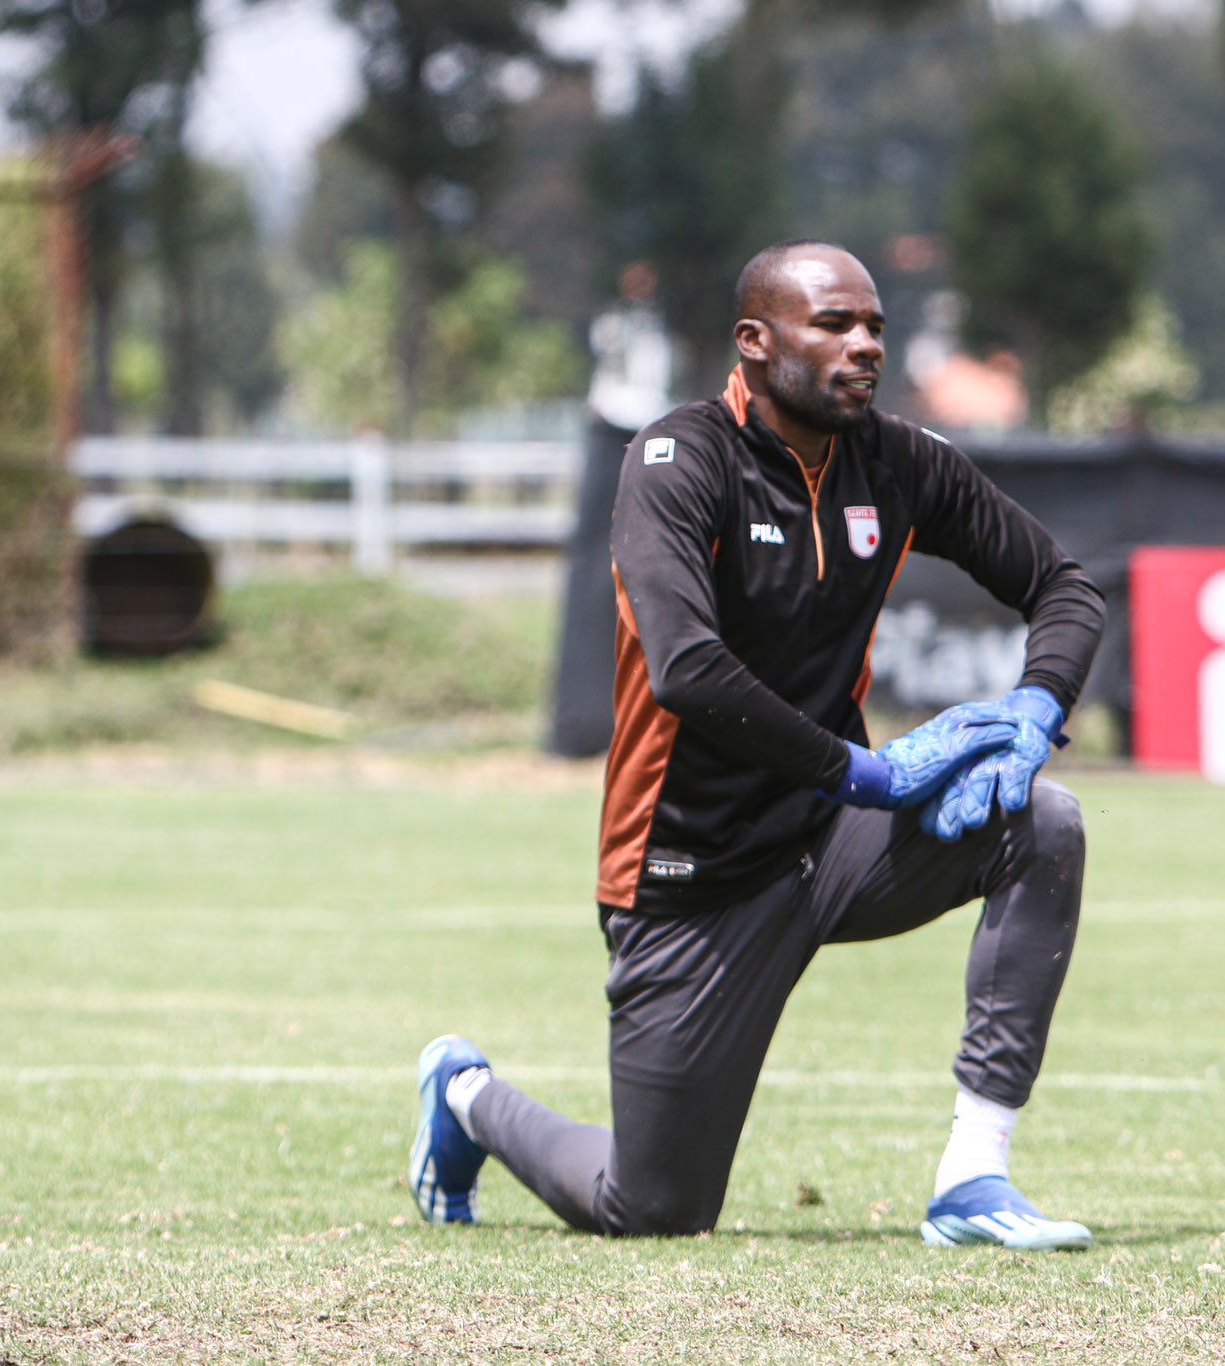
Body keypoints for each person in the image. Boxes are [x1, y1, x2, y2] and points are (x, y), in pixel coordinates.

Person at [409, 239, 1107, 1249]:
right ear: (753, 341)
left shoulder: (897, 461)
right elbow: (686, 668)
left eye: (872, 324)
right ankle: (466, 1095)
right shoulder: (674, 461)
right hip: (691, 876)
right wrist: (866, 770)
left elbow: (1064, 586)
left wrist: (1037, 712)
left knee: (1039, 822)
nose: (863, 344)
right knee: (651, 1208)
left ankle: (973, 1177)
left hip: (831, 844)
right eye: (832, 324)